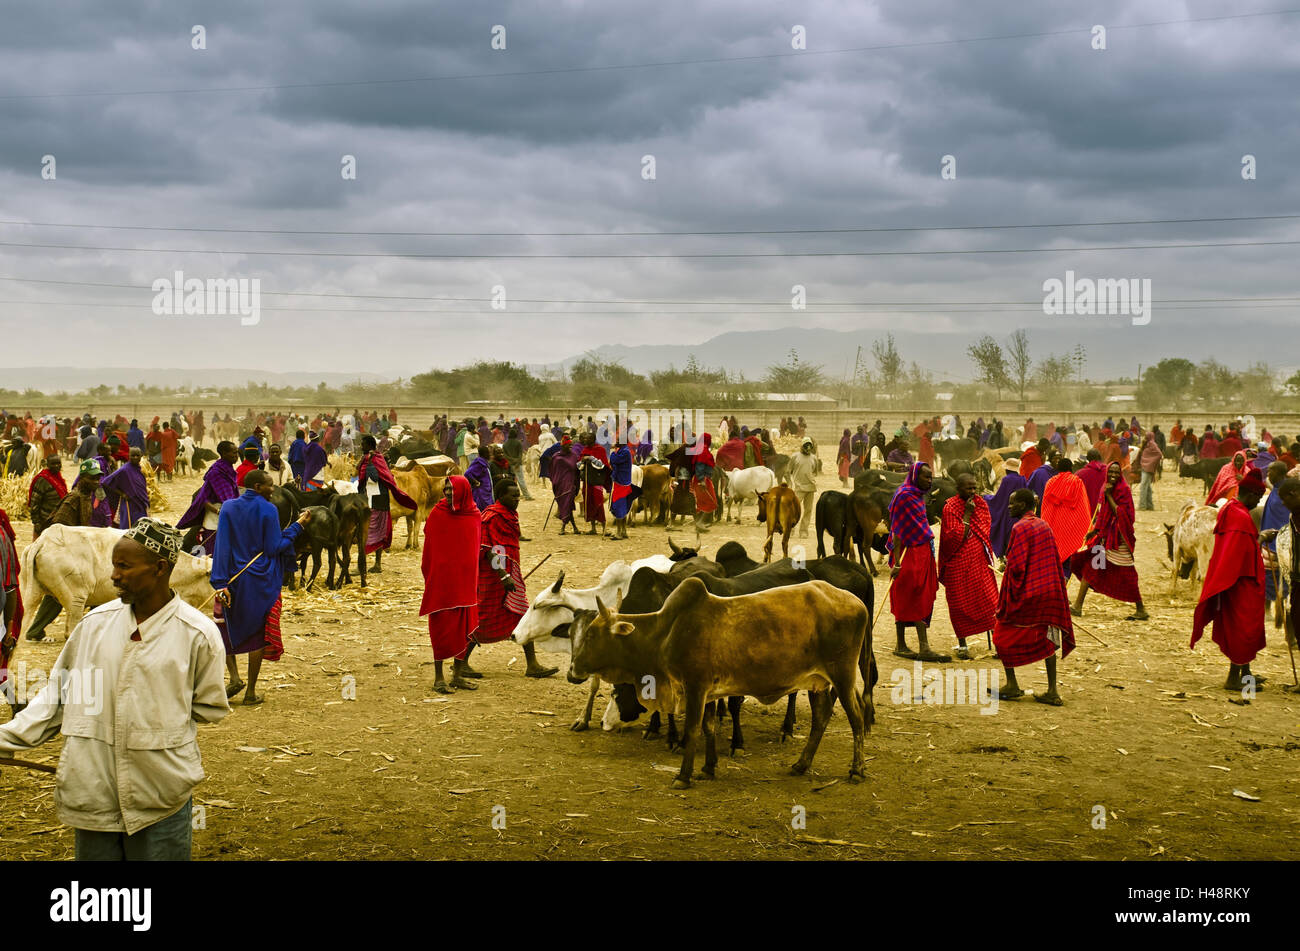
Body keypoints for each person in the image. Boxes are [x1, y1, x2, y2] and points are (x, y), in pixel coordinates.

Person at [0, 519, 229, 859]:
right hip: (93, 792)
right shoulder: (93, 627)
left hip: (161, 795)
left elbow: (207, 705)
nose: (113, 576)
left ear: (160, 568)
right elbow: (58, 698)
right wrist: (7, 739)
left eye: (124, 566)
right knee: (101, 905)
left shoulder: (198, 635)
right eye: (114, 565)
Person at [212, 470, 310, 705]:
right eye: (269, 485)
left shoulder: (227, 507)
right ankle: (250, 692)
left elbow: (221, 545)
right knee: (257, 635)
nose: (273, 489)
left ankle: (234, 678)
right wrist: (297, 527)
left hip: (231, 579)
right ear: (257, 486)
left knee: (224, 628)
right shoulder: (269, 510)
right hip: (260, 580)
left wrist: (219, 582)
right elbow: (274, 547)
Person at [992, 489, 1075, 705]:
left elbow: (1018, 567)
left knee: (1001, 635)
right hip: (1049, 593)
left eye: (1012, 504)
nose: (1009, 507)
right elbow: (1052, 559)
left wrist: (1007, 568)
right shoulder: (1044, 525)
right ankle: (1052, 691)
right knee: (1048, 640)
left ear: (1022, 505)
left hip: (1029, 594)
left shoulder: (1019, 527)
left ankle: (1012, 684)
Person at [1192, 468, 1268, 692]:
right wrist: (1261, 537)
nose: (1257, 503)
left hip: (1240, 582)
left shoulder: (1232, 509)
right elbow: (1236, 555)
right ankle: (1236, 680)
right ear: (1252, 495)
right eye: (1257, 498)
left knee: (1246, 630)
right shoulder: (1240, 517)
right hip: (1240, 583)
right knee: (1243, 631)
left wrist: (1259, 538)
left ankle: (1246, 674)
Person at [474, 479, 558, 681]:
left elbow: (502, 548)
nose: (517, 499)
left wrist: (511, 574)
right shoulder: (492, 517)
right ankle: (462, 663)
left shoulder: (510, 515)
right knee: (483, 617)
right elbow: (489, 551)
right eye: (513, 496)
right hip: (494, 577)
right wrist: (503, 575)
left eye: (518, 495)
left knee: (522, 613)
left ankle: (532, 665)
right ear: (500, 496)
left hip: (510, 574)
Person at [422, 475, 481, 692]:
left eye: (452, 490)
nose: (448, 493)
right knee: (441, 628)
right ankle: (439, 678)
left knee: (465, 627)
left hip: (465, 582)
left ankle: (457, 675)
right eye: (446, 489)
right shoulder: (438, 513)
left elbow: (474, 549)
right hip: (442, 582)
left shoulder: (474, 515)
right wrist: (431, 573)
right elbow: (429, 543)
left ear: (463, 491)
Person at [1070, 461, 1148, 621]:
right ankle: (1077, 606)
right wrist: (1095, 531)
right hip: (1104, 537)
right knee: (1091, 568)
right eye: (1110, 472)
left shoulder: (1123, 490)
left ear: (1120, 474)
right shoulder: (1105, 487)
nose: (1113, 475)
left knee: (1127, 574)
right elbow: (1102, 512)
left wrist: (1109, 496)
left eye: (1116, 473)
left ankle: (1141, 609)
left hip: (1118, 539)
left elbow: (1124, 515)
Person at [937, 473, 997, 659]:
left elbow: (985, 529)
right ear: (958, 489)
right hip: (957, 564)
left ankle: (999, 642)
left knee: (990, 600)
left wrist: (972, 513)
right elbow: (953, 537)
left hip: (980, 562)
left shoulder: (981, 504)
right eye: (967, 488)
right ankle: (963, 645)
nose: (972, 492)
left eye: (974, 488)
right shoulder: (950, 507)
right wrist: (967, 514)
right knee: (958, 603)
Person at [888, 463, 943, 661]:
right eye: (926, 477)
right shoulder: (904, 496)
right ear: (914, 476)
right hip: (907, 553)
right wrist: (897, 562)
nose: (929, 480)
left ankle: (905, 645)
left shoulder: (918, 495)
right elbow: (897, 530)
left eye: (931, 477)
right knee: (911, 594)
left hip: (922, 551)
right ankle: (918, 646)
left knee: (922, 594)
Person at [357, 434, 418, 573]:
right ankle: (373, 564)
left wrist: (368, 467)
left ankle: (367, 565)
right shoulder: (373, 458)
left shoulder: (374, 459)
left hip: (376, 498)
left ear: (369, 445)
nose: (361, 446)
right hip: (374, 497)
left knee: (371, 530)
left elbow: (376, 476)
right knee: (374, 530)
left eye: (363, 444)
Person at [1039, 459, 1091, 574]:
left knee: (1054, 555)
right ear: (1071, 468)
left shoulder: (1051, 482)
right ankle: (1065, 578)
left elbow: (1045, 507)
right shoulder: (1077, 482)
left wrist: (1045, 523)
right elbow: (1083, 507)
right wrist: (1086, 526)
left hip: (1054, 526)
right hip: (1070, 527)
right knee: (1069, 555)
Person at [100, 446, 150, 528]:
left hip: (141, 502)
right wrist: (122, 494)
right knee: (129, 527)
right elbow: (106, 482)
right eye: (133, 455)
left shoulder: (138, 469)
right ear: (129, 456)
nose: (135, 457)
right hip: (130, 503)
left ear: (141, 456)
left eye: (137, 455)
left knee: (141, 525)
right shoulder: (124, 469)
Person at [548, 435, 582, 534]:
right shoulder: (556, 457)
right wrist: (554, 480)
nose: (571, 447)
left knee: (568, 503)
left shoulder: (574, 456)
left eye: (571, 445)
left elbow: (577, 469)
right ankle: (575, 528)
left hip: (570, 483)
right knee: (567, 505)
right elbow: (551, 470)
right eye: (569, 445)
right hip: (559, 484)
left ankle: (563, 527)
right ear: (563, 446)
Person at [577, 432, 610, 536]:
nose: (586, 440)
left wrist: (591, 458)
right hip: (587, 481)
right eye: (585, 439)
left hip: (597, 481)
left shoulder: (600, 450)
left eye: (588, 438)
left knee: (598, 503)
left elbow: (603, 465)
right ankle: (593, 528)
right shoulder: (585, 450)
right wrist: (583, 460)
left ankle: (604, 528)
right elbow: (579, 465)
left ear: (593, 439)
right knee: (589, 503)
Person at [27, 455, 67, 539]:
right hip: (44, 521)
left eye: (58, 463)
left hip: (57, 521)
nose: (56, 466)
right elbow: (34, 502)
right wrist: (36, 522)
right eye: (53, 464)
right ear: (48, 465)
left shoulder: (59, 478)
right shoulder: (42, 480)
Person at [608, 439, 640, 541]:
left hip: (621, 483)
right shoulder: (624, 451)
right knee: (622, 507)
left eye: (618, 440)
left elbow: (614, 460)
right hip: (622, 482)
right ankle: (623, 531)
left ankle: (619, 532)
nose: (615, 441)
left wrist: (612, 453)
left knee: (619, 507)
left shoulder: (624, 452)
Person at [789, 438, 818, 537]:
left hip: (811, 487)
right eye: (806, 445)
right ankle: (791, 529)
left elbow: (814, 472)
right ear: (802, 446)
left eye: (810, 446)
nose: (808, 448)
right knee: (794, 510)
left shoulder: (814, 458)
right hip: (799, 488)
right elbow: (789, 470)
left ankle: (804, 531)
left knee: (808, 510)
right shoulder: (795, 457)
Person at [690, 433, 717, 532]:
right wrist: (702, 480)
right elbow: (699, 466)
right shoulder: (703, 451)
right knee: (712, 502)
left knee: (702, 502)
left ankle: (699, 524)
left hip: (700, 479)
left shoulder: (699, 449)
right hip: (702, 480)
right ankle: (700, 523)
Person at [464, 444, 494, 512]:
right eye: (489, 453)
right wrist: (476, 482)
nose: (490, 455)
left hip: (486, 492)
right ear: (485, 454)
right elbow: (467, 473)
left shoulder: (484, 462)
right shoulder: (479, 463)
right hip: (481, 493)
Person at [1137, 432, 1163, 511]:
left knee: (1143, 487)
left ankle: (1142, 506)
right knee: (1147, 487)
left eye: (1146, 436)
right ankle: (1149, 506)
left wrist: (1151, 462)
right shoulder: (1148, 443)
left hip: (1148, 468)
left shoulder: (1152, 444)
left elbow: (1159, 454)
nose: (1145, 437)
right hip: (1145, 467)